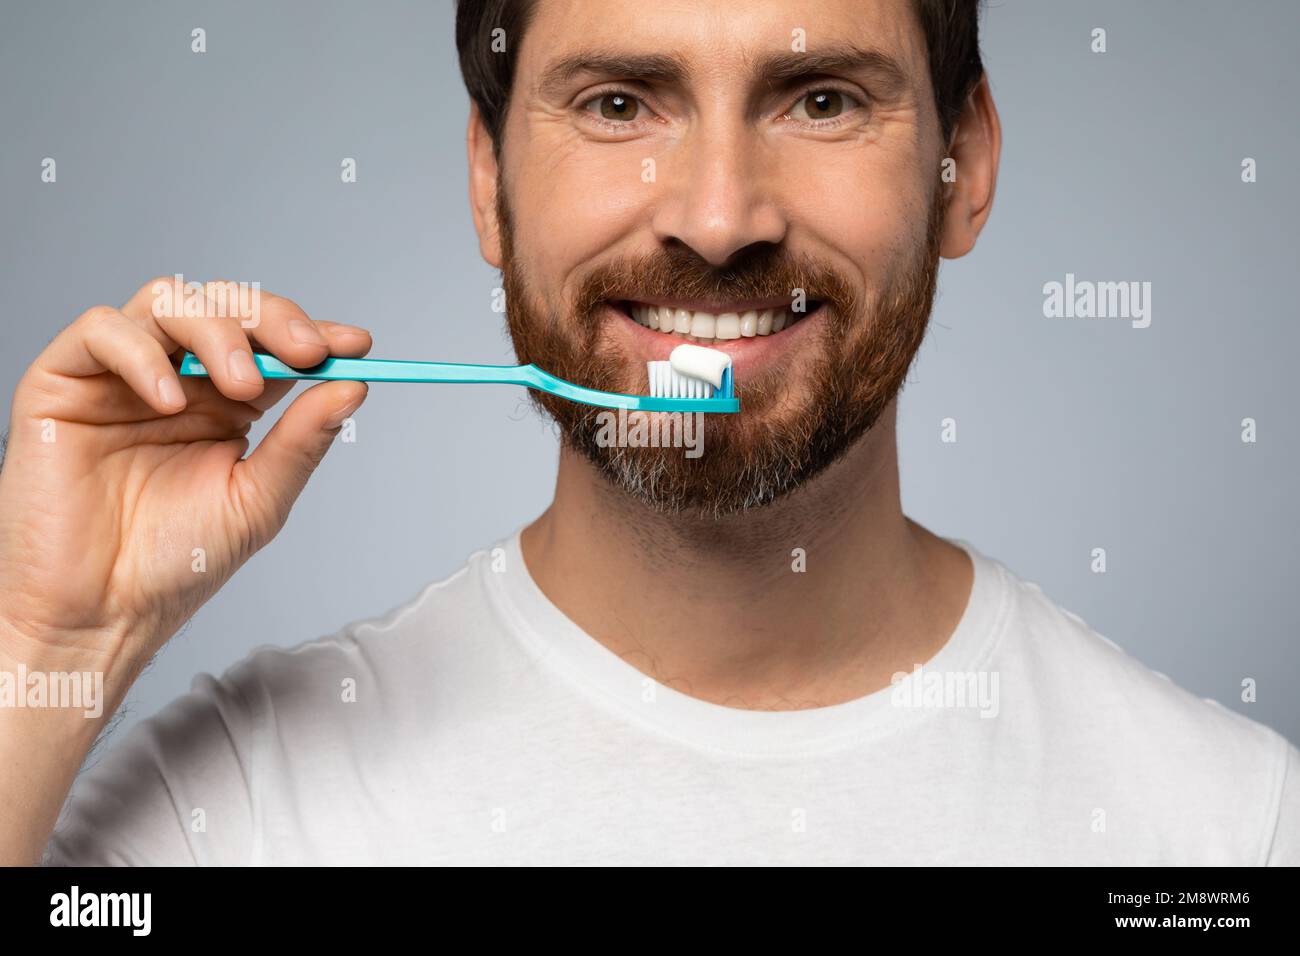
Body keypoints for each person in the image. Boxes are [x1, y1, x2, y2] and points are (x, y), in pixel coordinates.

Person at [2, 0, 1296, 865]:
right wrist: (45, 650)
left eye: (822, 100)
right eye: (621, 104)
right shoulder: (233, 812)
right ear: (488, 189)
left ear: (968, 165)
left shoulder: (1232, 833)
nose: (720, 218)